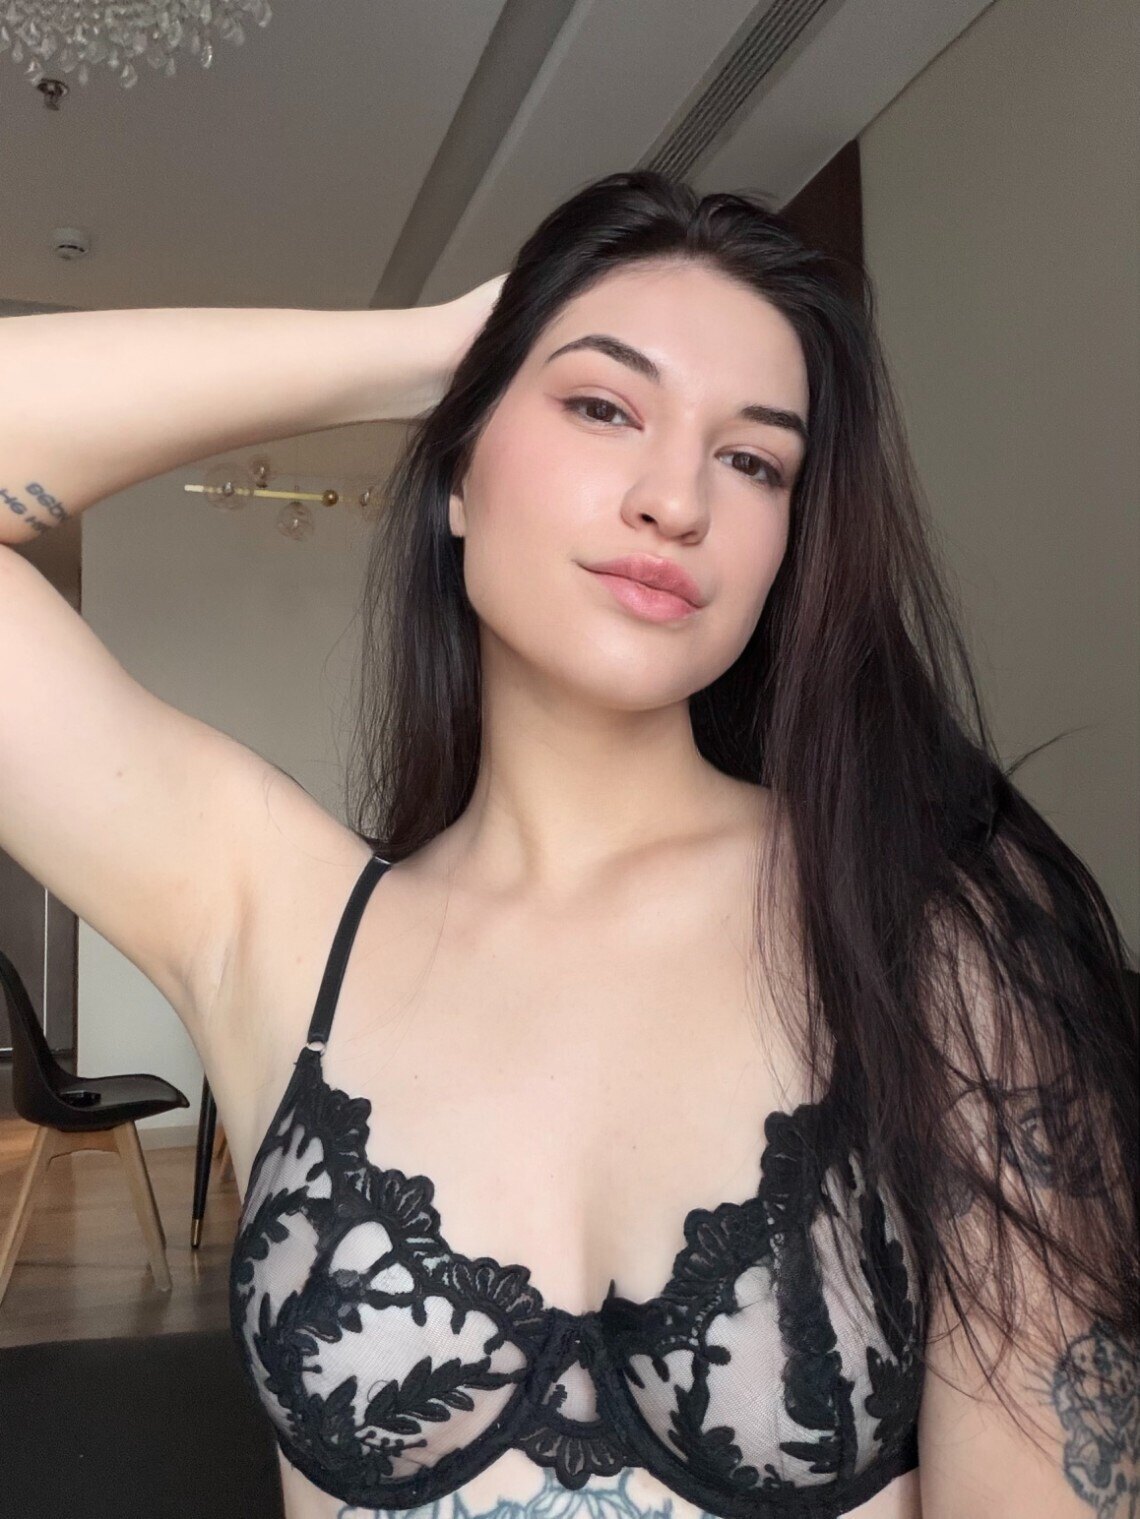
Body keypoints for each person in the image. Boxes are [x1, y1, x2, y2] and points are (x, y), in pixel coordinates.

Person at [0, 169, 1135, 1519]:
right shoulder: (277, 920)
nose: (676, 499)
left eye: (753, 460)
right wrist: (434, 349)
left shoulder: (931, 930)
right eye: (601, 406)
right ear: (458, 471)